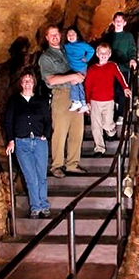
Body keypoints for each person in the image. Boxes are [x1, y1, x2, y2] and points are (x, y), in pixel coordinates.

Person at [38, 25, 87, 178]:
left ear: (60, 35)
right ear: (46, 38)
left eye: (56, 34)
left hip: (77, 94)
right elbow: (51, 80)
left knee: (77, 131)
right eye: (51, 35)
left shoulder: (68, 49)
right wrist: (72, 77)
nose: (54, 37)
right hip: (61, 95)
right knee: (60, 131)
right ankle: (57, 165)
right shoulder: (46, 57)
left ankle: (72, 164)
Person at [4, 69, 51, 218]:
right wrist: (11, 140)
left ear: (34, 83)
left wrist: (46, 134)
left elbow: (48, 120)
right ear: (20, 83)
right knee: (31, 177)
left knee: (41, 175)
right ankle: (35, 206)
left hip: (39, 141)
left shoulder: (41, 101)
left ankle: (44, 205)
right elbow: (8, 121)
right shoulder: (14, 101)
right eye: (24, 81)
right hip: (22, 142)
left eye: (30, 80)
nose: (27, 83)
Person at [85, 43, 131, 154]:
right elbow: (87, 86)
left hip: (108, 100)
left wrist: (125, 87)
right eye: (101, 53)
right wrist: (87, 101)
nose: (103, 55)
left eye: (106, 53)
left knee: (107, 123)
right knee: (96, 126)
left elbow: (120, 76)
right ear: (97, 54)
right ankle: (99, 148)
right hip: (95, 100)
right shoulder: (92, 69)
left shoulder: (112, 66)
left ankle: (111, 132)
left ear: (109, 54)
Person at [104, 12, 137, 125]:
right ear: (113, 22)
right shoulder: (108, 36)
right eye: (116, 21)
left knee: (122, 90)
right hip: (110, 67)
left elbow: (132, 49)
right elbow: (103, 50)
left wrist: (132, 59)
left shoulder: (128, 36)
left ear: (124, 23)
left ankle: (121, 115)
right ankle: (111, 113)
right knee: (111, 90)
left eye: (120, 21)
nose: (118, 23)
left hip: (123, 66)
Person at [63, 26, 94, 113]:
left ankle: (84, 102)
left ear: (77, 35)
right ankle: (76, 101)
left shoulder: (82, 44)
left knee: (80, 84)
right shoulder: (66, 46)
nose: (71, 36)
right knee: (74, 84)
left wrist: (87, 58)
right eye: (69, 34)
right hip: (72, 67)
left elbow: (91, 50)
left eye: (73, 34)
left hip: (81, 67)